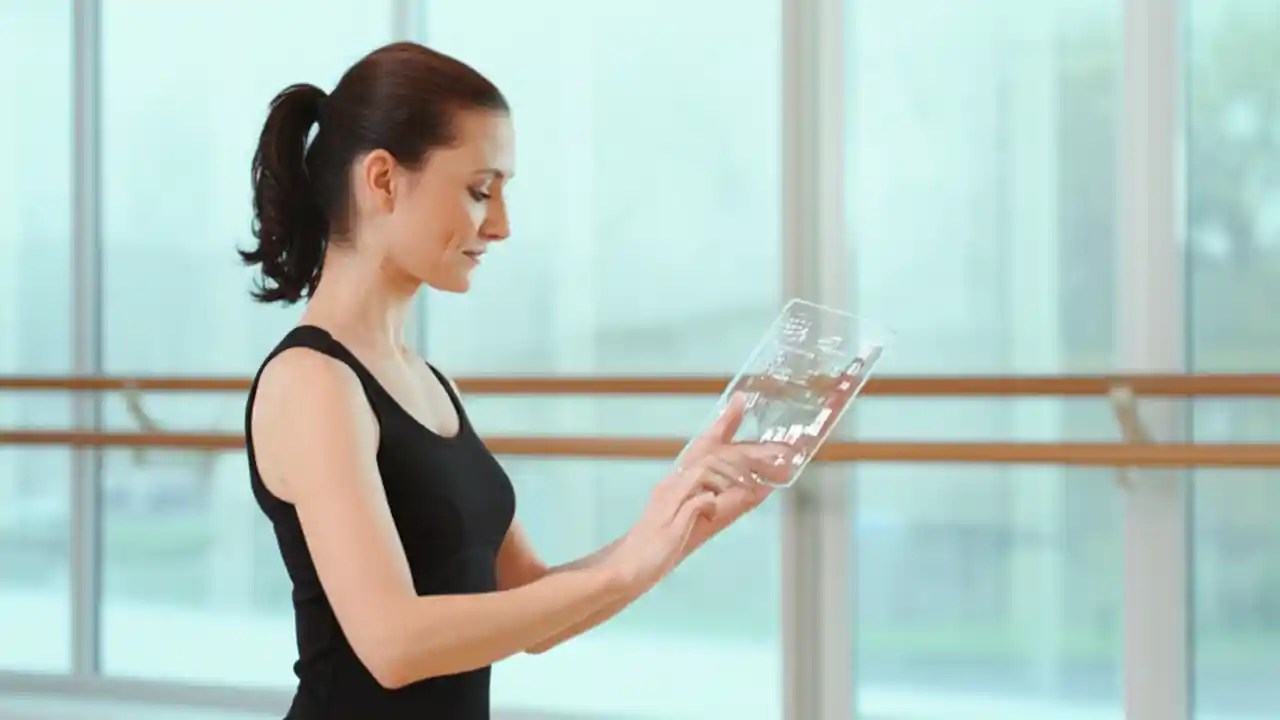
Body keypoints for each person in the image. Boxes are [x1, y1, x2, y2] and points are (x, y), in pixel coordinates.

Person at [239, 41, 789, 719]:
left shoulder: (429, 384)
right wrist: (630, 562)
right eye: (479, 190)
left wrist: (679, 520)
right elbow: (393, 644)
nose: (500, 225)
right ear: (382, 179)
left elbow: (529, 603)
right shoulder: (313, 383)